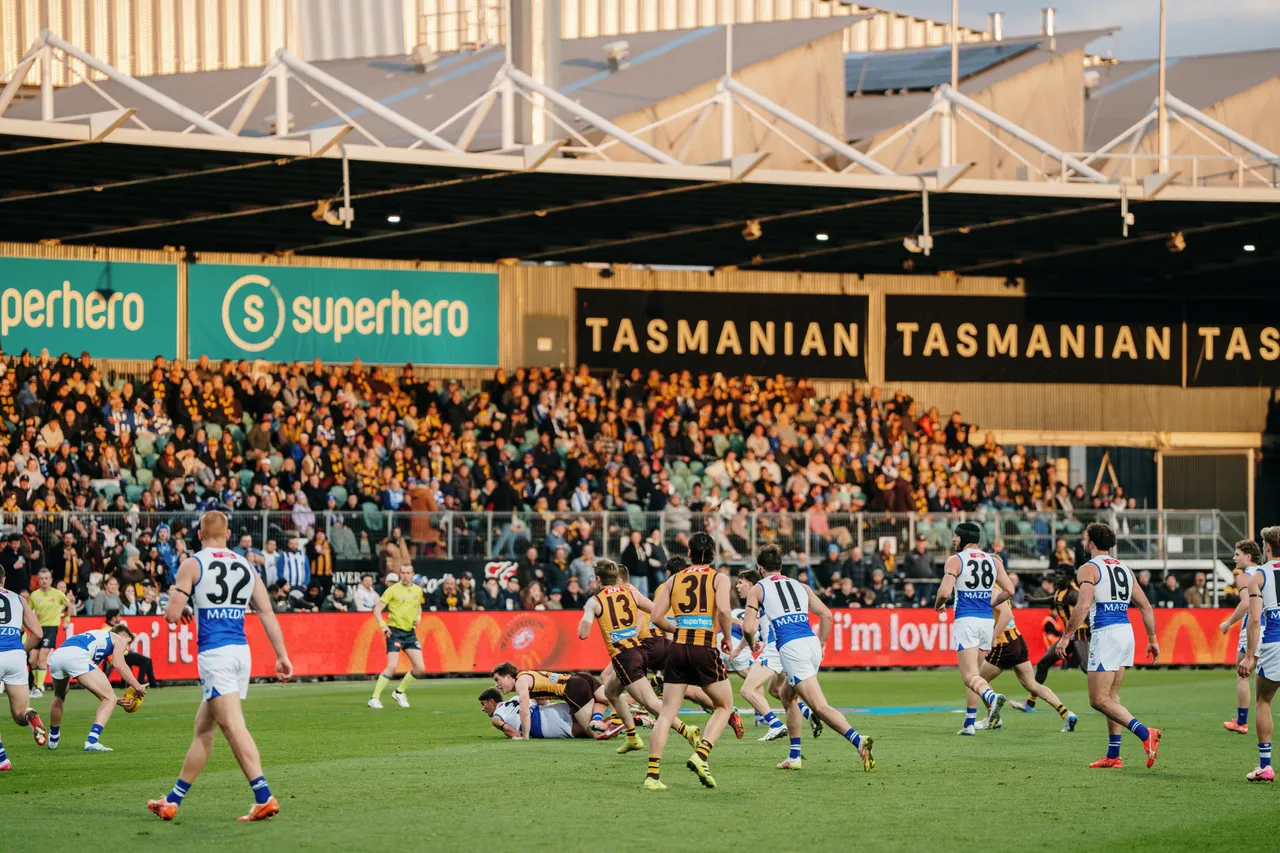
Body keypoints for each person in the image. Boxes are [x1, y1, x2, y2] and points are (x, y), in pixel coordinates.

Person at [146, 510, 293, 822]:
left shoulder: (192, 563)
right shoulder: (245, 565)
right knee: (204, 730)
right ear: (228, 535)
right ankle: (172, 800)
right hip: (242, 653)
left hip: (216, 655)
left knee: (233, 727)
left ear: (199, 535)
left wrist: (181, 598)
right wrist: (282, 656)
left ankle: (263, 796)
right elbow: (267, 612)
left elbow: (171, 616)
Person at [742, 545, 873, 772]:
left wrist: (751, 640)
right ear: (781, 566)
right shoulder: (800, 586)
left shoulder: (758, 588)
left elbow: (747, 626)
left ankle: (858, 740)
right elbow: (827, 615)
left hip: (792, 648)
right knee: (786, 695)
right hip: (811, 642)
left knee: (819, 706)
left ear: (760, 568)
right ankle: (794, 756)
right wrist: (822, 643)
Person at [1056, 522, 1161, 770]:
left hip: (1106, 633)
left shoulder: (1087, 569)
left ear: (1091, 542)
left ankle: (1146, 734)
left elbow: (1082, 606)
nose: (1083, 543)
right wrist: (1153, 639)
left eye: (1084, 539)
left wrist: (1066, 636)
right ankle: (1114, 755)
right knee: (1112, 697)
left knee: (1098, 700)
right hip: (1126, 632)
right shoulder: (1125, 569)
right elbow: (1146, 606)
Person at [578, 558, 701, 756]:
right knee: (610, 692)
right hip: (639, 652)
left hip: (624, 658)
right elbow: (656, 612)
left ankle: (686, 730)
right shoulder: (631, 593)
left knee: (651, 703)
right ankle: (633, 737)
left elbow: (583, 634)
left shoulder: (594, 602)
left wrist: (584, 617)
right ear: (616, 577)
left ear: (598, 579)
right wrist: (676, 630)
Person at [643, 531, 734, 790]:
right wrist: (726, 637)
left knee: (666, 714)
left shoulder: (674, 579)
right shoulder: (719, 578)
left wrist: (678, 628)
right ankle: (702, 753)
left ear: (689, 555)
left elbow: (656, 617)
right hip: (704, 647)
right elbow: (725, 611)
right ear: (713, 555)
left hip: (678, 647)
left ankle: (652, 776)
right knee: (724, 706)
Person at [933, 521, 1015, 735]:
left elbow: (944, 593)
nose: (953, 540)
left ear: (964, 538)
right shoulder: (993, 560)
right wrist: (989, 603)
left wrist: (939, 606)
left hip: (966, 620)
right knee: (975, 676)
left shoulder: (955, 560)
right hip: (987, 622)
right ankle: (969, 724)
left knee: (969, 677)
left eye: (956, 536)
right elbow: (1009, 590)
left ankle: (991, 697)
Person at [732, 568, 821, 745]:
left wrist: (742, 648)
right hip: (785, 647)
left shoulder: (758, 595)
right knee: (776, 690)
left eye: (740, 582)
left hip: (776, 649)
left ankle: (775, 724)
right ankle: (807, 712)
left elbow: (750, 627)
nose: (737, 586)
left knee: (747, 690)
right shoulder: (770, 594)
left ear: (751, 584)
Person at [973, 600, 1077, 733]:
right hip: (1017, 640)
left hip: (1004, 642)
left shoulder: (993, 589)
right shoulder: (1001, 588)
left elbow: (1006, 613)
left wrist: (993, 636)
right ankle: (1066, 714)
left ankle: (992, 718)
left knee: (978, 680)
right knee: (1032, 684)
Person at [46, 622, 143, 752]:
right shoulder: (118, 638)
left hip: (57, 656)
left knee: (59, 695)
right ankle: (92, 741)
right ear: (123, 635)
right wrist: (137, 686)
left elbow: (88, 682)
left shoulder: (98, 639)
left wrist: (114, 698)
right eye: (128, 643)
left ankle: (53, 738)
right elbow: (118, 663)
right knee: (109, 699)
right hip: (76, 656)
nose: (127, 648)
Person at [1012, 563, 1088, 714]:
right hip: (1069, 636)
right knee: (1042, 664)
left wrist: (1092, 630)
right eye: (1056, 573)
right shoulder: (1061, 591)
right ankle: (1030, 703)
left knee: (1087, 667)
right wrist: (1033, 600)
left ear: (1069, 577)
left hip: (1080, 632)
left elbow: (1088, 609)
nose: (1057, 577)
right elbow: (1053, 600)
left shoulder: (1074, 593)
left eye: (1061, 574)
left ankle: (1107, 695)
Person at [1236, 525, 1280, 782]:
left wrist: (1250, 655)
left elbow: (1254, 619)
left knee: (1264, 700)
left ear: (1266, 547)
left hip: (1274, 643)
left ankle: (1265, 766)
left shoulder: (1259, 576)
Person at [0, 570, 49, 770]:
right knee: (20, 712)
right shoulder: (18, 598)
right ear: (3, 579)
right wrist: (21, 651)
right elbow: (37, 633)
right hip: (15, 656)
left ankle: (2, 759)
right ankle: (31, 716)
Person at [490, 662, 607, 741]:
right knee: (612, 699)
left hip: (572, 689)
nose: (496, 685)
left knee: (594, 733)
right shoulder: (526, 675)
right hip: (580, 678)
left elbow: (524, 712)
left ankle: (614, 724)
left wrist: (525, 737)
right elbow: (543, 699)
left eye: (497, 680)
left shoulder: (520, 683)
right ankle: (606, 718)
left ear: (508, 677)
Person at [1220, 539, 1264, 734]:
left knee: (1243, 675)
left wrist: (1228, 622)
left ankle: (1242, 722)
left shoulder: (1245, 577)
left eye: (1237, 554)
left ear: (1248, 556)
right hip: (1272, 629)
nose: (1234, 558)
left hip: (1254, 628)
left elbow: (1246, 603)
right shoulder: (1266, 573)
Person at [368, 565, 426, 710]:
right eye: (403, 573)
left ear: (412, 574)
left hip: (410, 633)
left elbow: (418, 605)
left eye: (408, 573)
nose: (405, 575)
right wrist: (383, 626)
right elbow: (377, 609)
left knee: (420, 668)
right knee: (392, 666)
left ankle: (399, 692)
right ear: (399, 574)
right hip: (394, 632)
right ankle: (374, 698)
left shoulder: (417, 590)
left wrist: (418, 617)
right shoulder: (392, 590)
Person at [478, 688, 594, 739]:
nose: (482, 709)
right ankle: (610, 717)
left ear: (492, 702)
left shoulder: (496, 717)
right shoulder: (516, 697)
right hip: (553, 708)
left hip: (543, 725)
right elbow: (540, 699)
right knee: (591, 717)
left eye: (483, 704)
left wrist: (517, 736)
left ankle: (609, 724)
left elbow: (513, 733)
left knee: (589, 730)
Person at [27, 568, 69, 698]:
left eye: (46, 578)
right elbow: (28, 613)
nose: (44, 581)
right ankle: (38, 684)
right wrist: (34, 616)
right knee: (32, 660)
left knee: (42, 658)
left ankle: (39, 687)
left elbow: (69, 605)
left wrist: (67, 619)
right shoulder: (34, 595)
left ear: (50, 580)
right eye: (41, 578)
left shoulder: (58, 594)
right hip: (36, 629)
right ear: (38, 580)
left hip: (50, 628)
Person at [103, 610, 159, 688]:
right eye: (118, 616)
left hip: (123, 654)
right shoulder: (107, 629)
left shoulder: (109, 628)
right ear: (113, 618)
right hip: (121, 655)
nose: (120, 618)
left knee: (147, 661)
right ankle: (141, 682)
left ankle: (151, 683)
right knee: (146, 661)